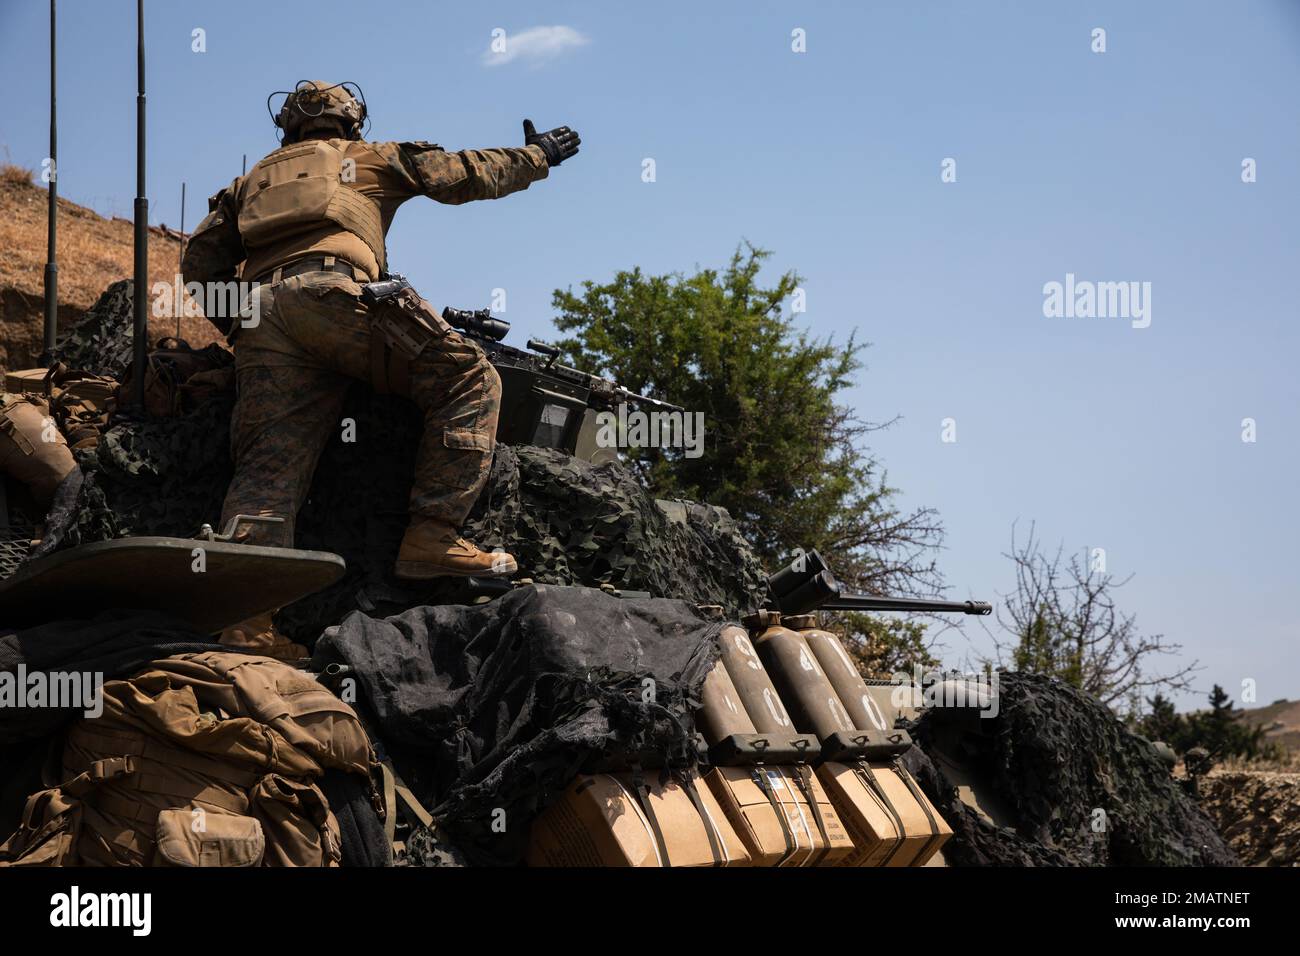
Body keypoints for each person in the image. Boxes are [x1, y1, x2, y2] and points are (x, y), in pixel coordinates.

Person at [182, 81, 580, 585]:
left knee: (267, 470)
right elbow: (463, 174)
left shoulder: (248, 183)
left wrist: (241, 328)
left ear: (288, 127)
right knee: (470, 379)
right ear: (351, 120)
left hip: (262, 317)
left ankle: (247, 620)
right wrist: (536, 156)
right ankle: (432, 539)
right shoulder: (366, 157)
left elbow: (199, 264)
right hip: (335, 295)